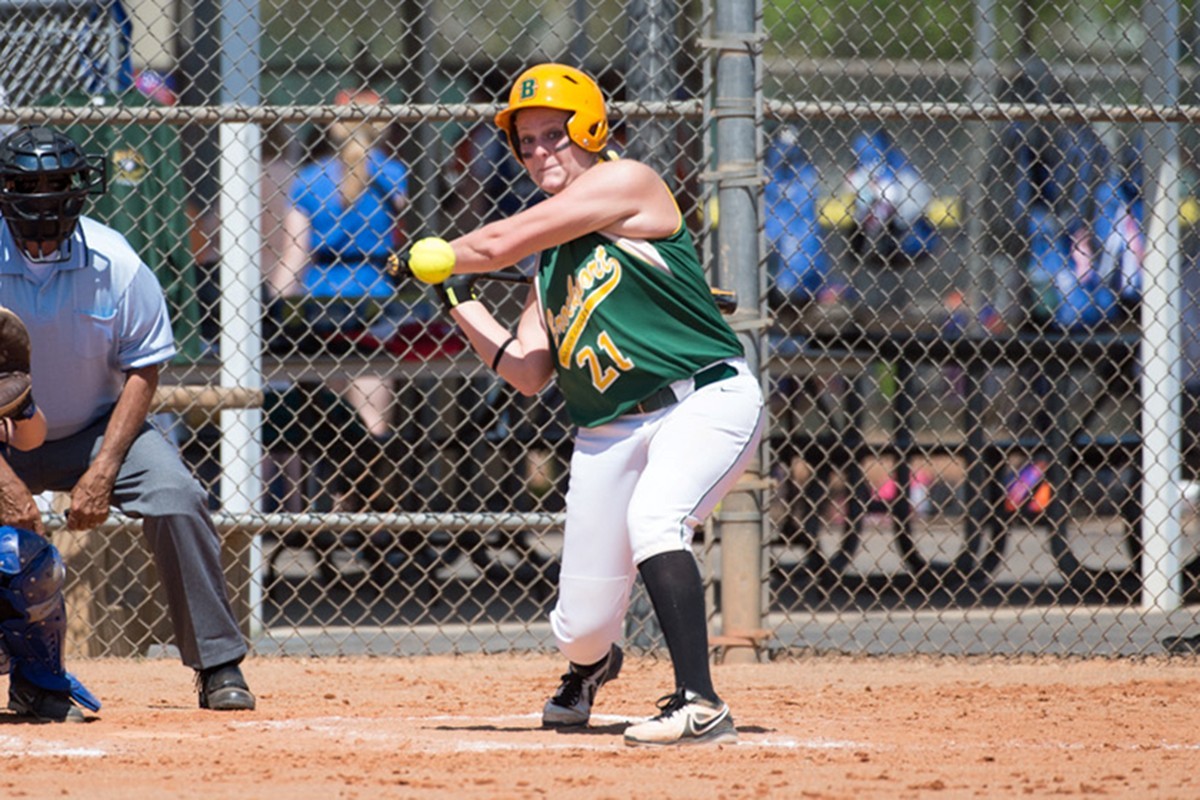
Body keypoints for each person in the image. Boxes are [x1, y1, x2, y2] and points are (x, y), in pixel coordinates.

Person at [399, 63, 764, 746]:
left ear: (592, 129)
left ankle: (700, 701)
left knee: (657, 518)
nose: (540, 151)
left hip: (701, 398)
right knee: (582, 628)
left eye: (554, 135)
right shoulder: (549, 262)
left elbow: (499, 242)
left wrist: (444, 253)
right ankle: (592, 666)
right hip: (608, 428)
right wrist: (456, 299)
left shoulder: (630, 183)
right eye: (527, 142)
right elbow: (529, 370)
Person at [0, 125, 255, 713]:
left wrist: (105, 469)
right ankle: (24, 670)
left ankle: (218, 663)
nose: (44, 200)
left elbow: (144, 369)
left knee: (175, 497)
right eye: (28, 187)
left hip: (97, 429)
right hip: (4, 434)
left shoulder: (113, 258)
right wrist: (7, 483)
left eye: (57, 185)